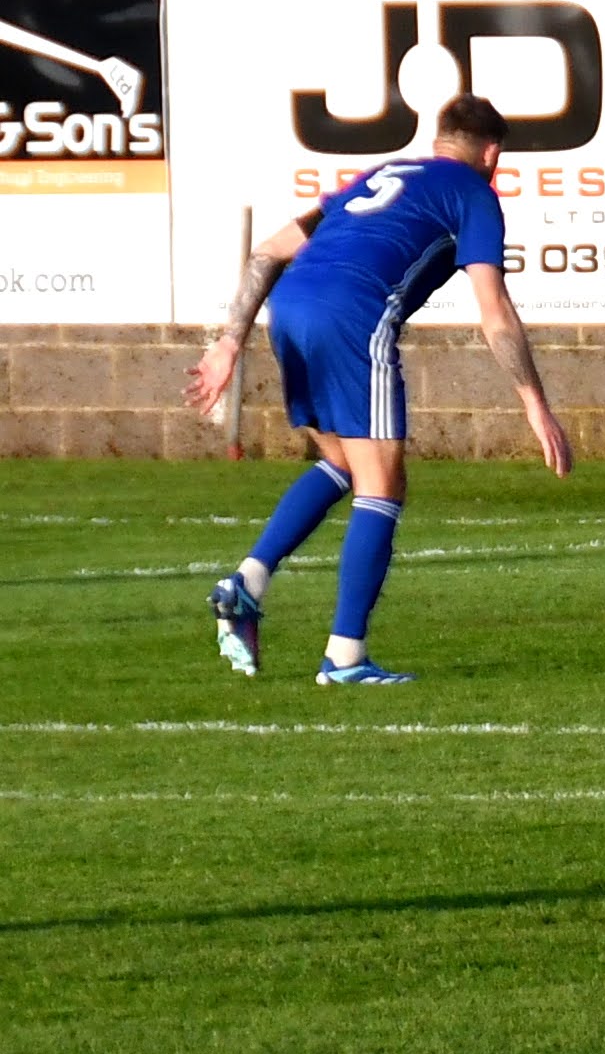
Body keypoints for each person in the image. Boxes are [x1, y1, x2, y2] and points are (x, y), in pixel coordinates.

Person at [183, 94, 573, 683]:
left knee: (340, 460)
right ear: (492, 152)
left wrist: (229, 341)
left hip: (290, 309)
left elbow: (268, 251)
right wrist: (535, 404)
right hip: (353, 318)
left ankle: (248, 582)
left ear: (440, 138)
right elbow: (494, 311)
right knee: (383, 483)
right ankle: (345, 657)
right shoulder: (474, 193)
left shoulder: (382, 173)